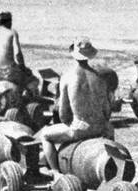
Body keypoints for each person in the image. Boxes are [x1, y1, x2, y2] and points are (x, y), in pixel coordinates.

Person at [37, 39, 115, 173]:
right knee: (110, 129)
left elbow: (63, 115)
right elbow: (107, 112)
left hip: (80, 129)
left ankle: (56, 172)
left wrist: (75, 120)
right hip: (103, 128)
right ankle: (112, 163)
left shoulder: (67, 77)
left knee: (44, 135)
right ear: (90, 55)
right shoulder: (100, 78)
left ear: (74, 54)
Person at [0, 11, 29, 87]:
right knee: (32, 79)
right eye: (11, 21)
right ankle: (27, 96)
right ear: (9, 21)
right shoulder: (12, 32)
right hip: (10, 73)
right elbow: (18, 53)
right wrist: (23, 68)